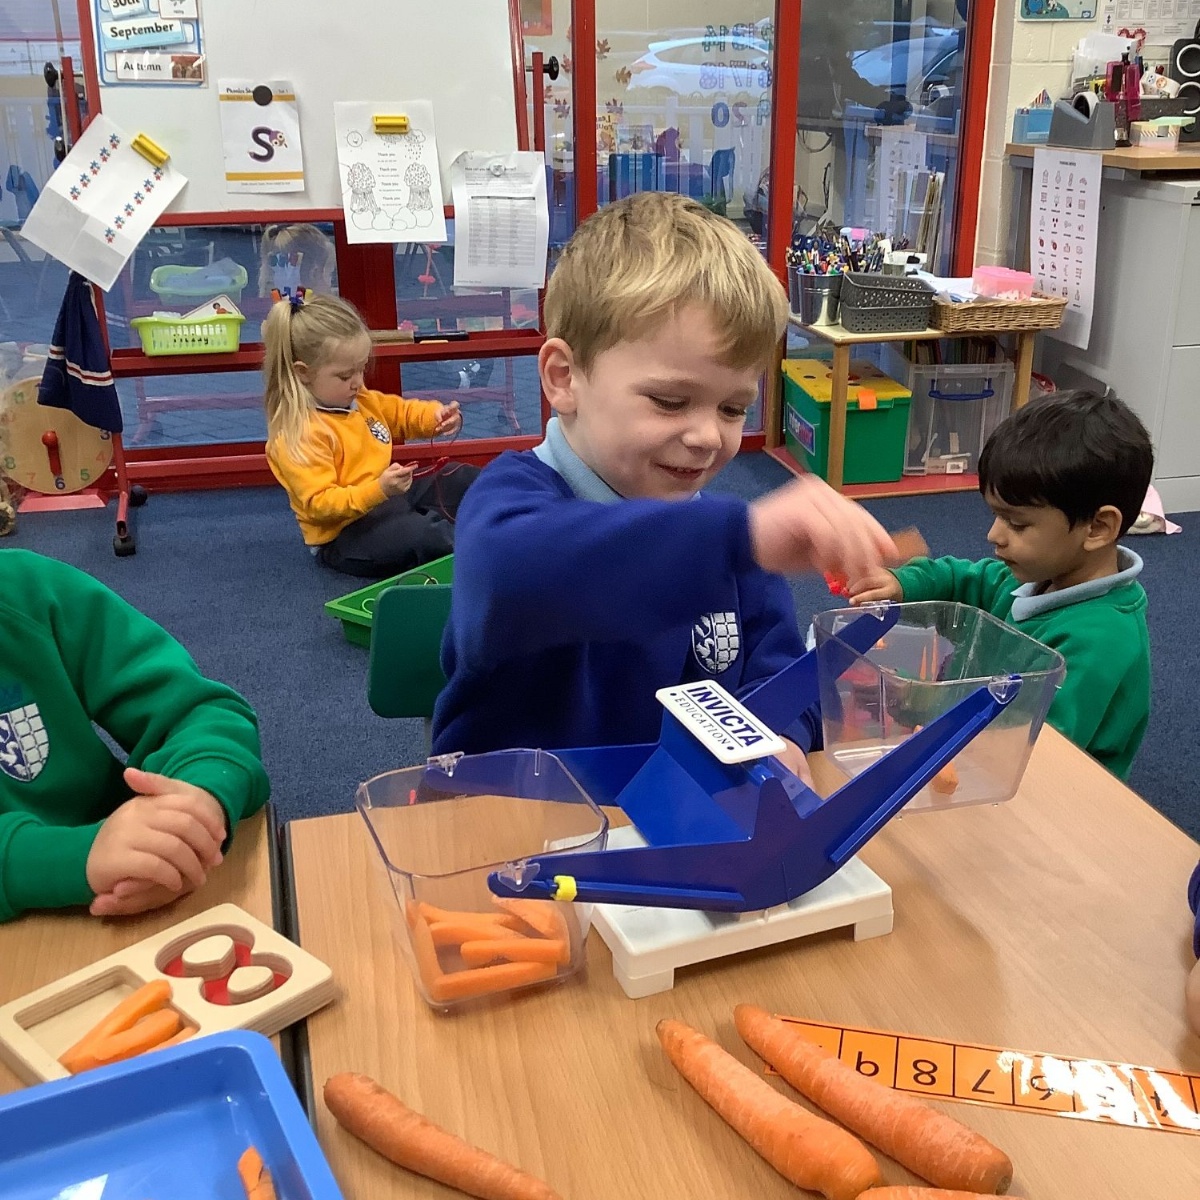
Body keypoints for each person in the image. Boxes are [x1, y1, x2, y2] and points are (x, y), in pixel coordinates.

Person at [431, 192, 899, 773]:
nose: (707, 437)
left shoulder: (730, 542)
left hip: (683, 827)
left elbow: (779, 681)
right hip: (515, 826)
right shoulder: (508, 505)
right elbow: (515, 581)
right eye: (670, 401)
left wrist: (782, 739)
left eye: (733, 409)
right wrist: (738, 538)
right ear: (563, 378)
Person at [847, 389, 1153, 780]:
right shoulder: (1031, 578)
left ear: (1097, 527)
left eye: (1017, 523)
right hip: (971, 749)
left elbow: (1027, 744)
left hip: (1051, 795)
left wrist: (920, 701)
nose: (994, 534)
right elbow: (958, 578)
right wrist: (900, 583)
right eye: (995, 515)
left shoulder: (1101, 641)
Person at [0, 549, 269, 922]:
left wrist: (198, 803)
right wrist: (69, 858)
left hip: (146, 895)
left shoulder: (25, 591)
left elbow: (199, 712)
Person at [262, 293, 478, 578]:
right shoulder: (299, 434)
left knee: (460, 477)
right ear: (303, 373)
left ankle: (509, 520)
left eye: (361, 369)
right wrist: (380, 490)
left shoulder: (358, 399)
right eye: (344, 376)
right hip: (345, 535)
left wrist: (434, 417)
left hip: (387, 495)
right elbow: (320, 506)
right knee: (424, 535)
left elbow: (398, 413)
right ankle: (488, 551)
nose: (358, 382)